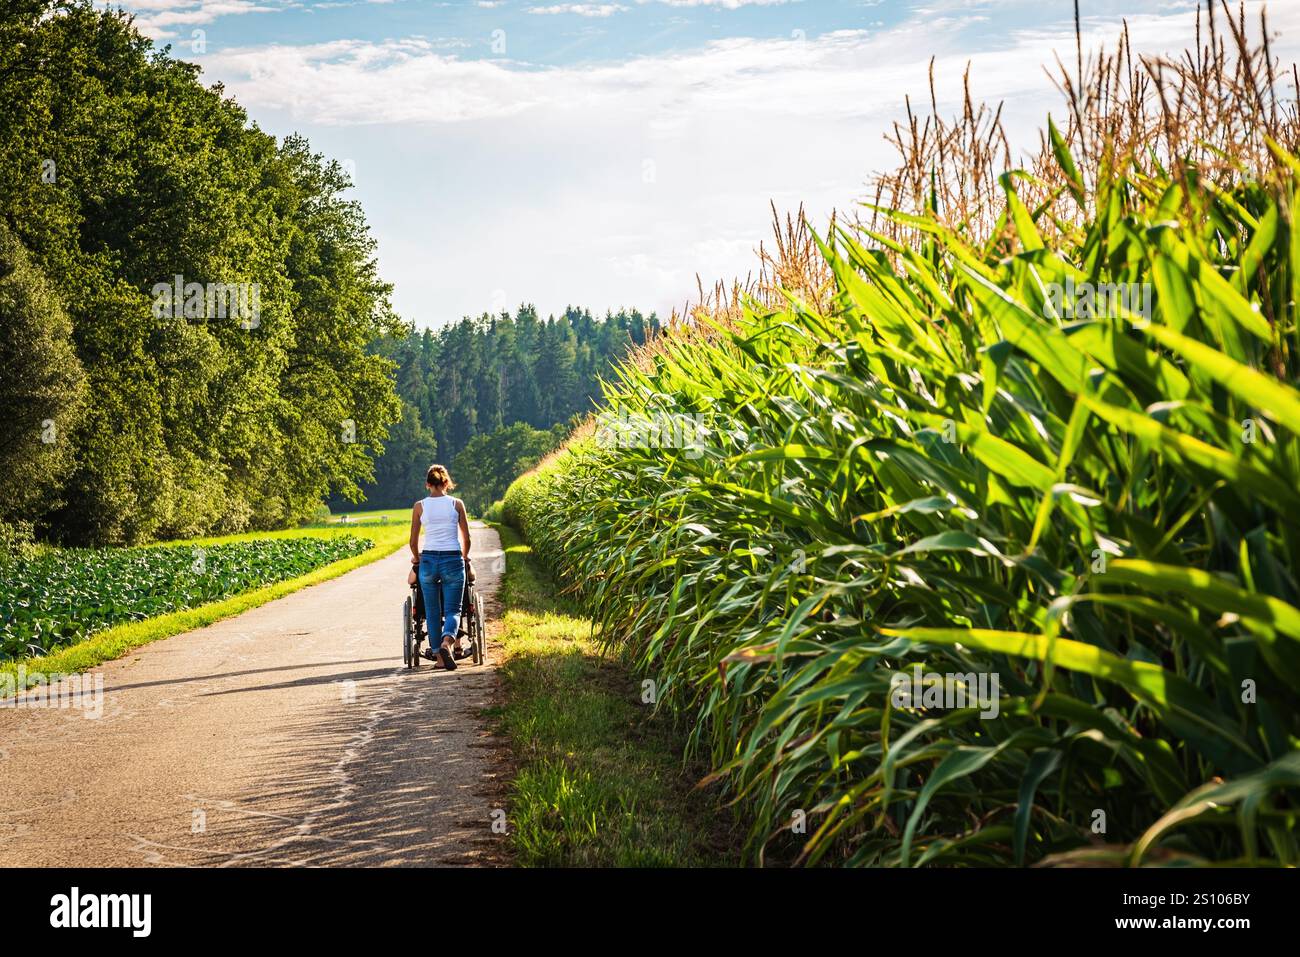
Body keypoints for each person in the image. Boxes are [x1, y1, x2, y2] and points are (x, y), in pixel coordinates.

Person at [408, 464, 471, 670]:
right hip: (452, 558)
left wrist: (417, 559)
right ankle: (447, 642)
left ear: (428, 484)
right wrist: (464, 556)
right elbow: (467, 538)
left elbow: (412, 541)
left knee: (433, 611)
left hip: (428, 561)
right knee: (453, 609)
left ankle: (439, 659)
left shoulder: (420, 506)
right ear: (446, 483)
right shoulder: (456, 504)